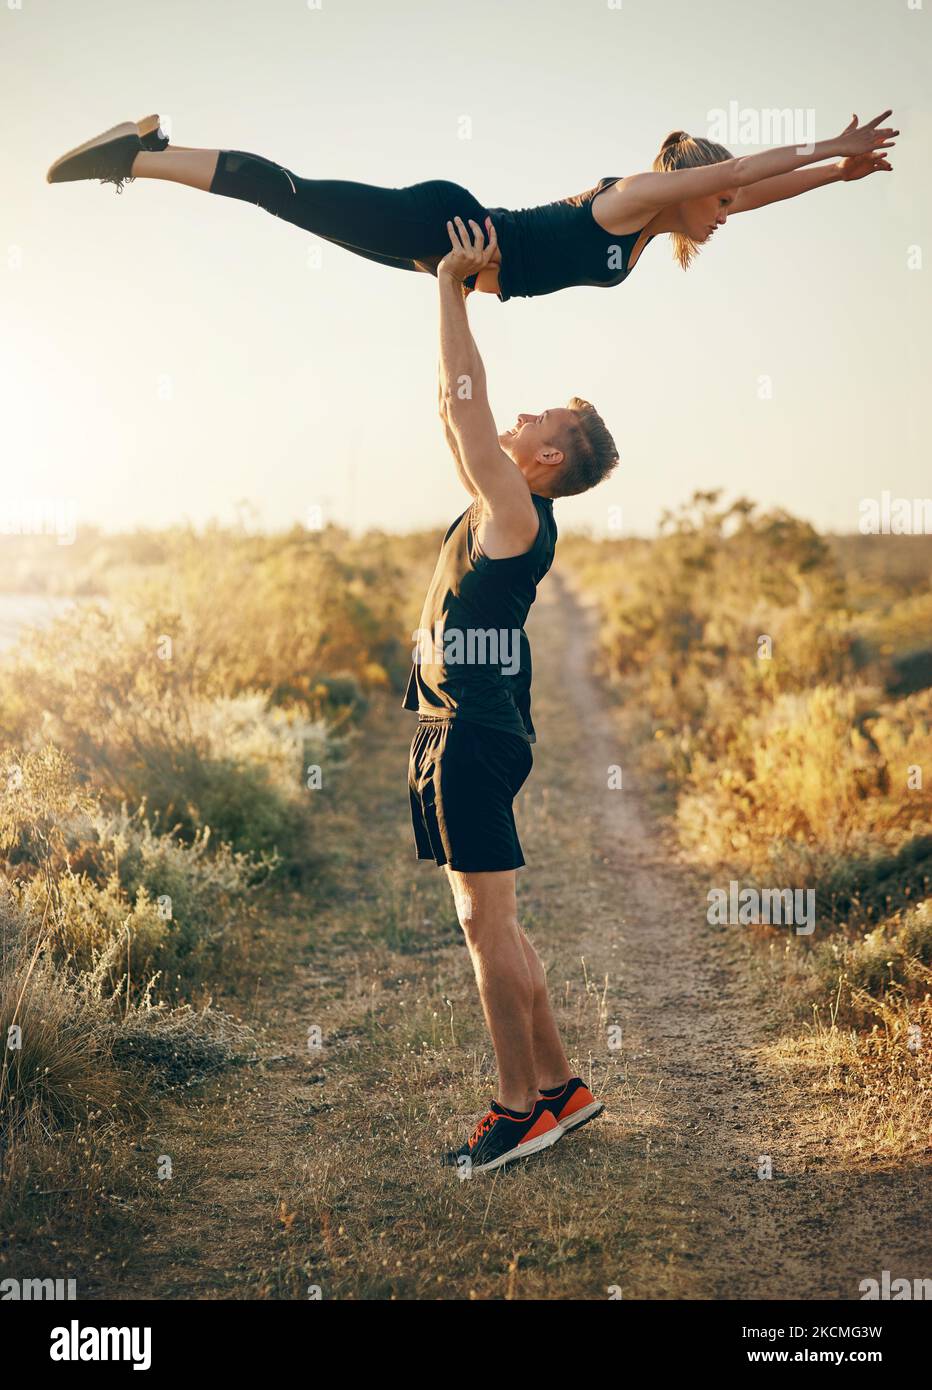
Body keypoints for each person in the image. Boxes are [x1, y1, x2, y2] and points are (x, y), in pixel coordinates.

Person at [405, 216, 612, 1175]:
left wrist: (449, 284)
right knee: (499, 921)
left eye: (539, 423)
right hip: (467, 727)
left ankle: (516, 1109)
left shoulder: (517, 510)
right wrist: (445, 297)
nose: (517, 417)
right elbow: (456, 411)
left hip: (475, 737)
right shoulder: (506, 503)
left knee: (484, 928)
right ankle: (563, 1087)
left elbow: (466, 398)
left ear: (543, 461)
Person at [47, 112, 896, 302]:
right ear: (688, 186)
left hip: (443, 256)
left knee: (292, 204)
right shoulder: (638, 199)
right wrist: (828, 145)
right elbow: (748, 168)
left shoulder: (655, 230)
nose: (727, 213)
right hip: (443, 226)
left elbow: (752, 188)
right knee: (292, 197)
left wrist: (833, 181)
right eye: (719, 199)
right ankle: (141, 154)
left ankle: (147, 151)